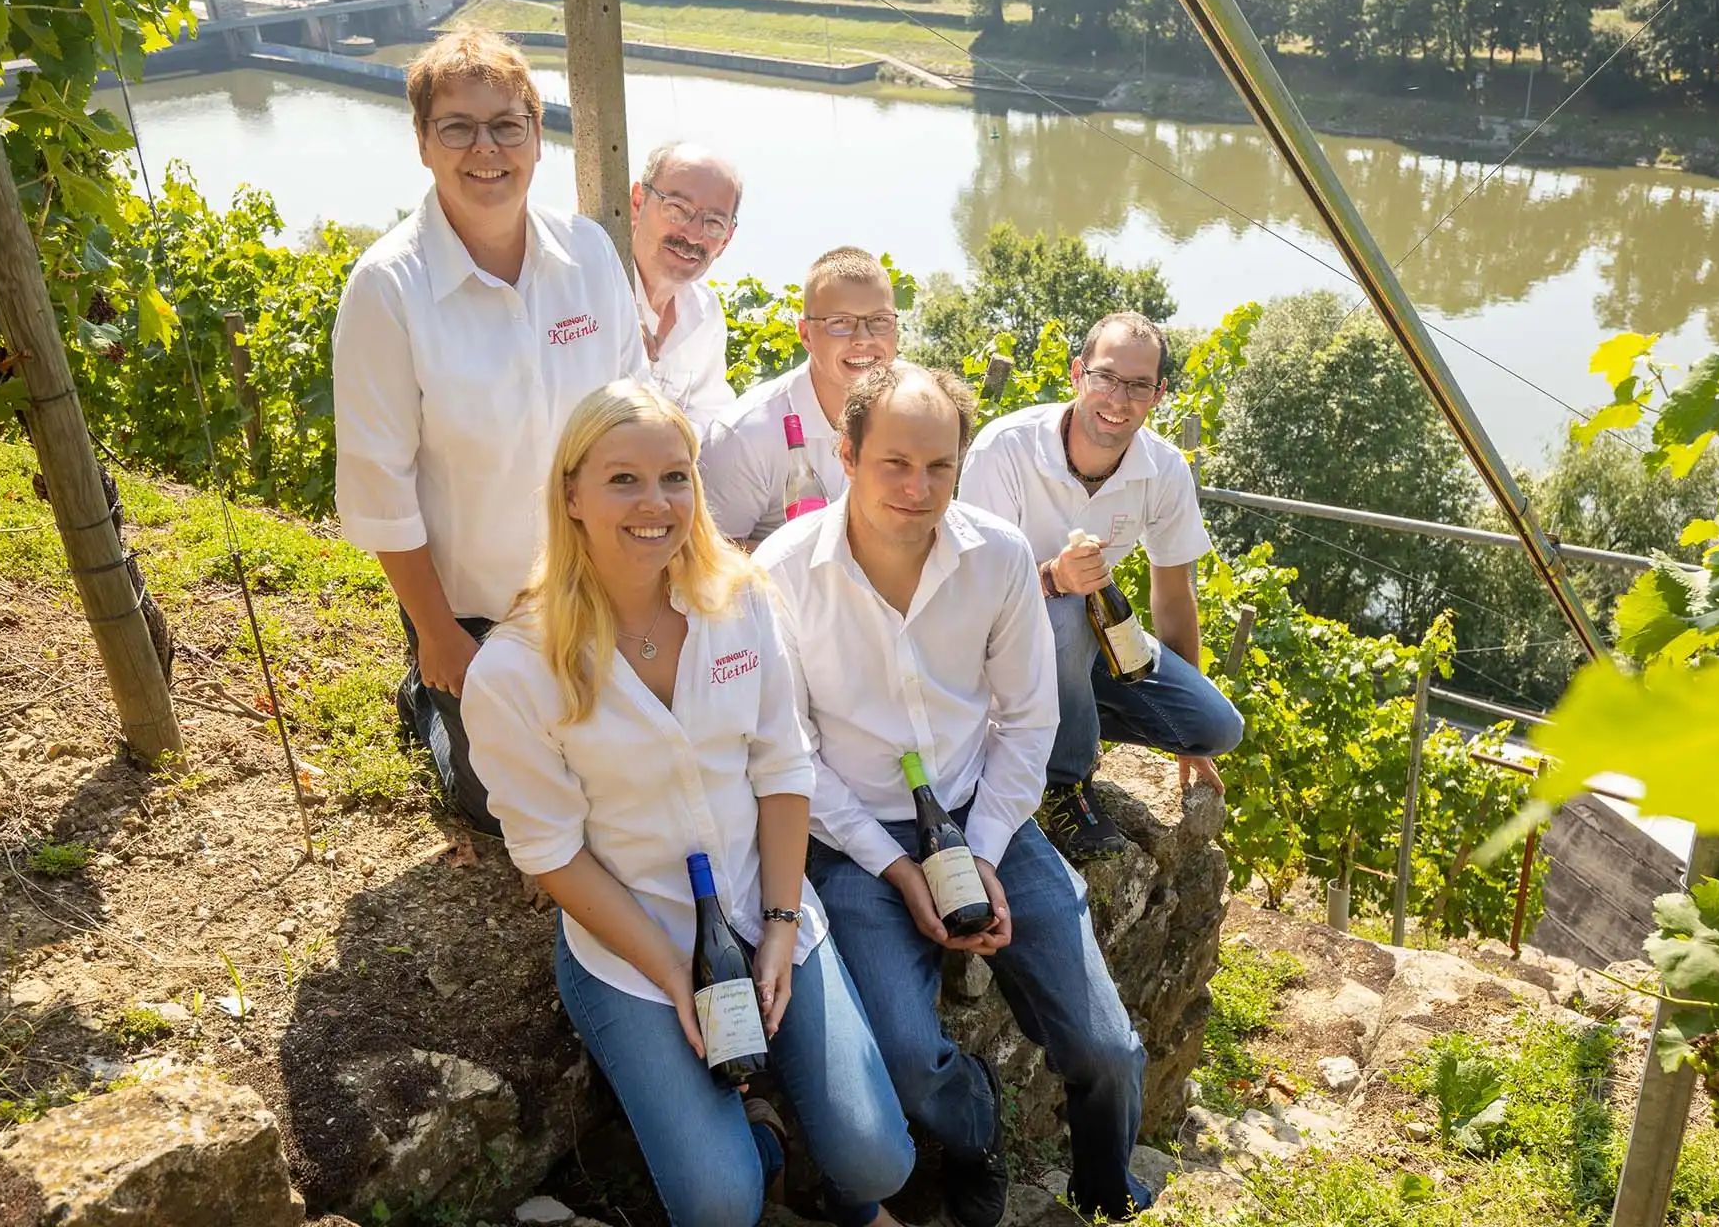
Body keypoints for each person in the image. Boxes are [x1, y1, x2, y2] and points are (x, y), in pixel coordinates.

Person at [463, 382, 914, 1227]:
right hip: (632, 950)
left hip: (764, 902)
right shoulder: (514, 671)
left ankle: (819, 1172)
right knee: (717, 1205)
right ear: (571, 494)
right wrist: (676, 974)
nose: (654, 504)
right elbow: (552, 852)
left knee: (878, 1158)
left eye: (675, 477)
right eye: (623, 479)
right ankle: (764, 1153)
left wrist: (780, 924)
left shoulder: (739, 600)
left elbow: (783, 767)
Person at [756, 362, 1154, 1226]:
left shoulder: (1000, 557)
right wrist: (900, 871)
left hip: (987, 814)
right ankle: (977, 1130)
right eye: (895, 462)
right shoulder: (782, 572)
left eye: (940, 466)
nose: (918, 487)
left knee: (1109, 1051)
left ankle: (1104, 1195)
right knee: (903, 1059)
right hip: (857, 838)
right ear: (847, 455)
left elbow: (1025, 721)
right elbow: (794, 756)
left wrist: (985, 848)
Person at [332, 29, 643, 837]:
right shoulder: (386, 290)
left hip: (600, 590)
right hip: (475, 614)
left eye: (508, 124)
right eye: (458, 127)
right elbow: (380, 487)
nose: (487, 149)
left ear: (538, 137)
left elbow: (635, 418)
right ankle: (429, 699)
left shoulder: (589, 254)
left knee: (620, 785)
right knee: (510, 815)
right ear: (424, 144)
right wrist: (439, 635)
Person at [960, 312, 1243, 862]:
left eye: (1139, 385)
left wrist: (1181, 742)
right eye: (1107, 377)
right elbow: (970, 589)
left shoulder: (1163, 470)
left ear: (1158, 395)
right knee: (1065, 608)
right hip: (994, 649)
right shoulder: (1006, 449)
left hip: (1083, 648)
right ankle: (1067, 784)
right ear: (1077, 374)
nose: (1119, 398)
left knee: (1216, 727)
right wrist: (1048, 577)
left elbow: (1173, 596)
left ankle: (1060, 721)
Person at [701, 247, 898, 547]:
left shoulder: (921, 411)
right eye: (840, 322)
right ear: (805, 335)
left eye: (880, 321)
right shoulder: (744, 437)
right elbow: (709, 558)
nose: (863, 338)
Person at [631, 142, 742, 433]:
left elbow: (710, 418)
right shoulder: (589, 294)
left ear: (726, 240)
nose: (693, 235)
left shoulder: (706, 313)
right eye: (678, 210)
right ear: (637, 202)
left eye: (714, 223)